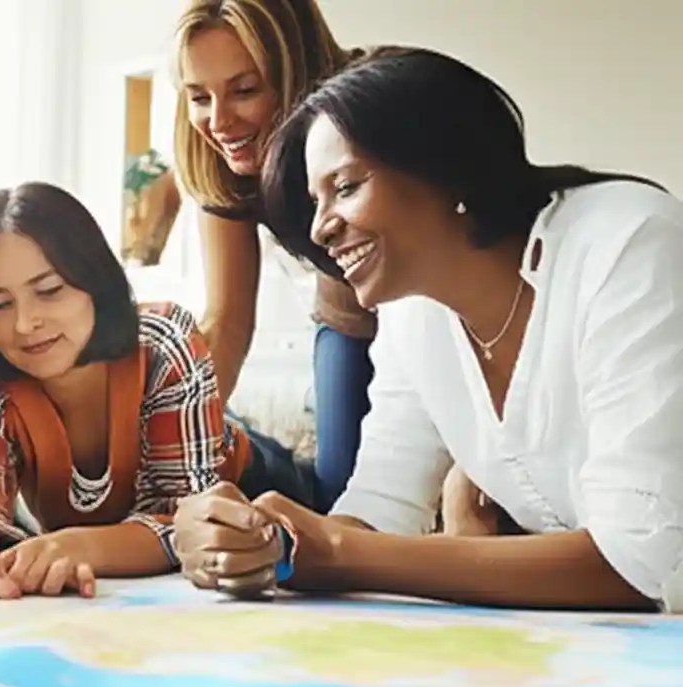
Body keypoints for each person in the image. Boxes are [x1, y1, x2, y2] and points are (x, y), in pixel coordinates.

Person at [173, 47, 683, 612]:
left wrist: (337, 551)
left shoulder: (628, 245)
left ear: (444, 165)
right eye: (316, 201)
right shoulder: (414, 311)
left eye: (346, 187)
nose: (320, 229)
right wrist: (260, 542)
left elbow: (640, 563)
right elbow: (378, 508)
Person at [0, 182, 312, 601]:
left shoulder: (163, 344)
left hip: (253, 482)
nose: (25, 323)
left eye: (49, 291)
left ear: (93, 281)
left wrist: (75, 546)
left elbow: (188, 524)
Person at [173, 0, 374, 510]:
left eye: (244, 90)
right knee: (339, 497)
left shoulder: (371, 102)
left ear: (295, 71)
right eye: (199, 97)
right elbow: (227, 321)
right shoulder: (222, 168)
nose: (219, 121)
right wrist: (175, 451)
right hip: (348, 315)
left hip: (438, 304)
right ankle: (259, 465)